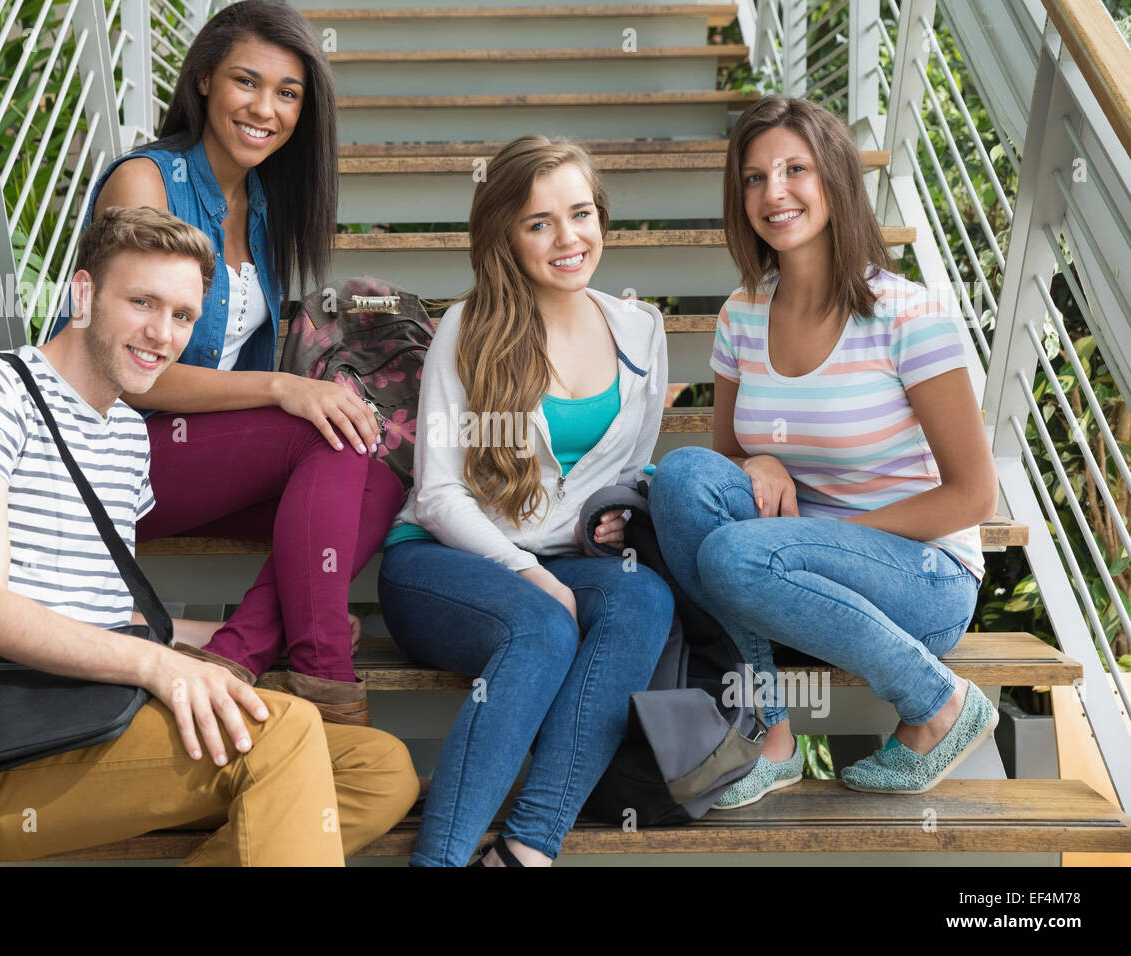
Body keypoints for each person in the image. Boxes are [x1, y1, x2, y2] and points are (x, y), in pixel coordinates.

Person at [0, 206, 418, 865]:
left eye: (181, 316)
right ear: (84, 295)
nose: (161, 334)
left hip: (96, 720)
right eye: (142, 302)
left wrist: (204, 639)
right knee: (286, 730)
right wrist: (159, 665)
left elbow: (97, 610)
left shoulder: (122, 436)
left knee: (377, 769)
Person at [51, 0, 401, 725]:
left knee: (375, 468)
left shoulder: (267, 206)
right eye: (247, 81)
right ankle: (324, 672)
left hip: (182, 457)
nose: (265, 109)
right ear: (205, 78)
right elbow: (125, 370)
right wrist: (284, 387)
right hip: (102, 449)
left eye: (288, 93)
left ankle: (237, 652)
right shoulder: (148, 183)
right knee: (321, 430)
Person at [649, 96, 999, 807]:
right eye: (753, 177)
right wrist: (760, 464)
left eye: (794, 169)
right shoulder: (741, 315)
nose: (772, 192)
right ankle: (771, 735)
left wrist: (813, 536)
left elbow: (973, 497)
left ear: (835, 178)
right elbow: (721, 476)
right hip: (782, 576)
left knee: (737, 553)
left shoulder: (909, 314)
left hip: (921, 578)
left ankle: (939, 703)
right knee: (681, 476)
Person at [377, 135, 675, 867]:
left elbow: (631, 466)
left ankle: (526, 849)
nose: (568, 238)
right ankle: (439, 861)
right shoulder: (467, 328)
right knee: (541, 628)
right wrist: (528, 572)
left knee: (644, 601)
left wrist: (621, 508)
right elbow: (440, 494)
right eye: (541, 222)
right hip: (441, 561)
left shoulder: (641, 327)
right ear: (505, 237)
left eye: (581, 214)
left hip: (566, 562)